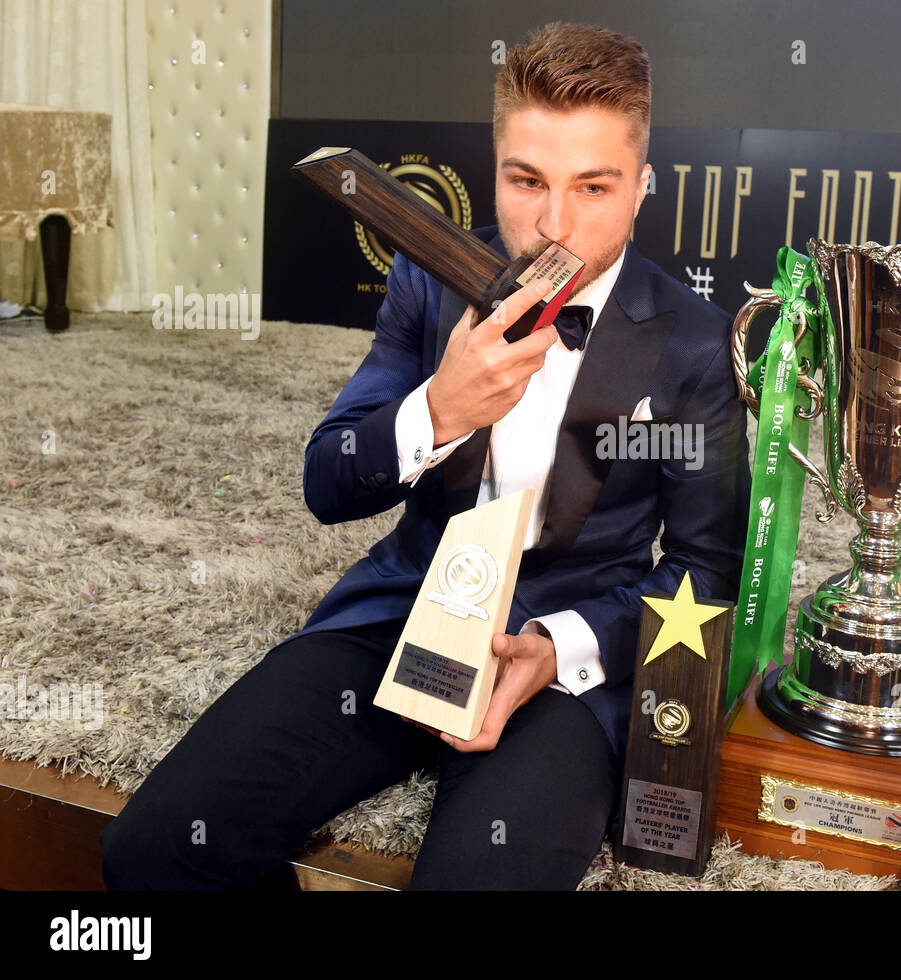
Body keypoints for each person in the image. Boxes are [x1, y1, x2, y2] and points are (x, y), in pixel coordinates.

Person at [99, 21, 749, 890]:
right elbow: (328, 481)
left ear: (641, 187)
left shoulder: (697, 346)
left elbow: (710, 573)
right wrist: (439, 409)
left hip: (559, 660)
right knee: (157, 849)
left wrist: (560, 649)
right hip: (398, 617)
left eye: (594, 187)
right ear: (495, 168)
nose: (555, 225)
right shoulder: (429, 279)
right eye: (527, 181)